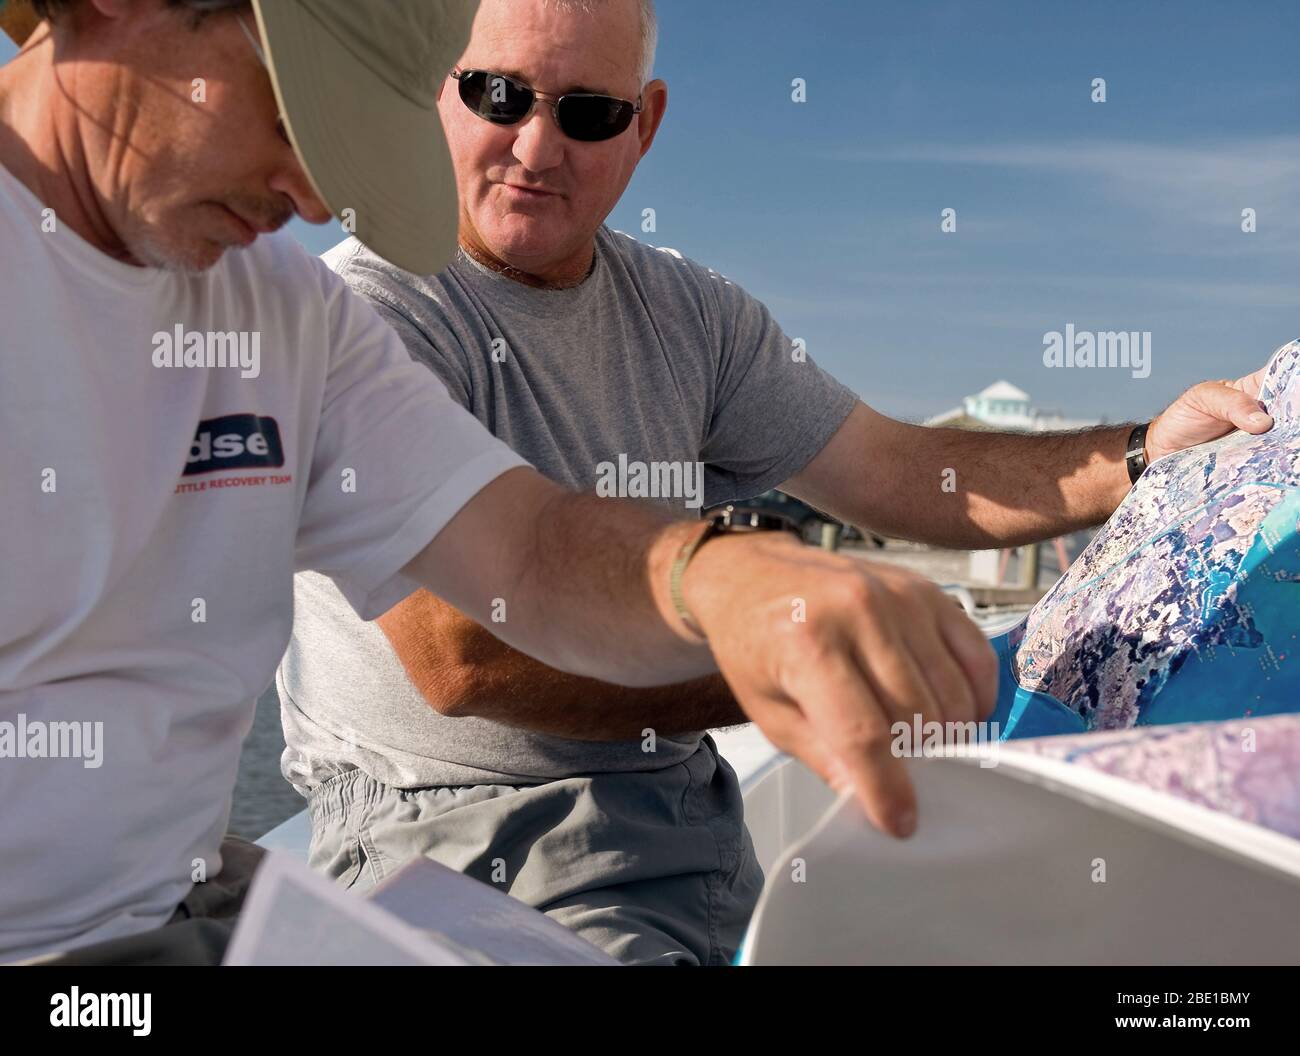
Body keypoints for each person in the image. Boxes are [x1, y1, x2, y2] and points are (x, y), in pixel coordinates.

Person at [0, 0, 1004, 964]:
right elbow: (460, 658)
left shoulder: (294, 316)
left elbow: (525, 548)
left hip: (187, 900)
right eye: (292, 108)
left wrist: (723, 581)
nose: (312, 196)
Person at [279, 0, 1279, 965]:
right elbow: (466, 661)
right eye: (500, 95)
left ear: (646, 126)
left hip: (689, 821)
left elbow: (898, 471)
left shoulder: (693, 314)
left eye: (588, 114)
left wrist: (1148, 450)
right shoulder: (370, 311)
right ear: (437, 90)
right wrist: (784, 658)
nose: (538, 148)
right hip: (463, 838)